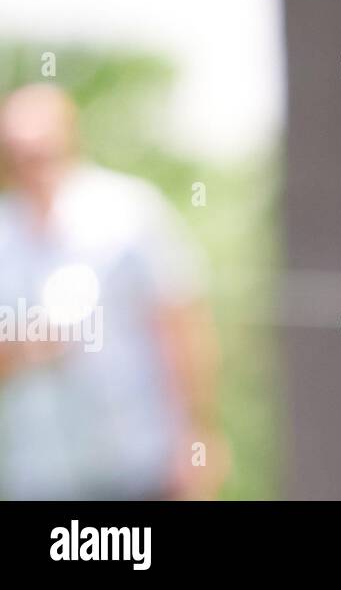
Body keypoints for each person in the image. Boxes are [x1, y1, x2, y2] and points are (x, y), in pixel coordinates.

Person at [0, 84, 225, 500]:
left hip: (136, 463)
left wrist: (196, 437)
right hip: (38, 474)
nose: (30, 165)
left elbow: (179, 323)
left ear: (69, 140)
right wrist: (26, 348)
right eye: (18, 154)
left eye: (40, 151)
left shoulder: (129, 213)